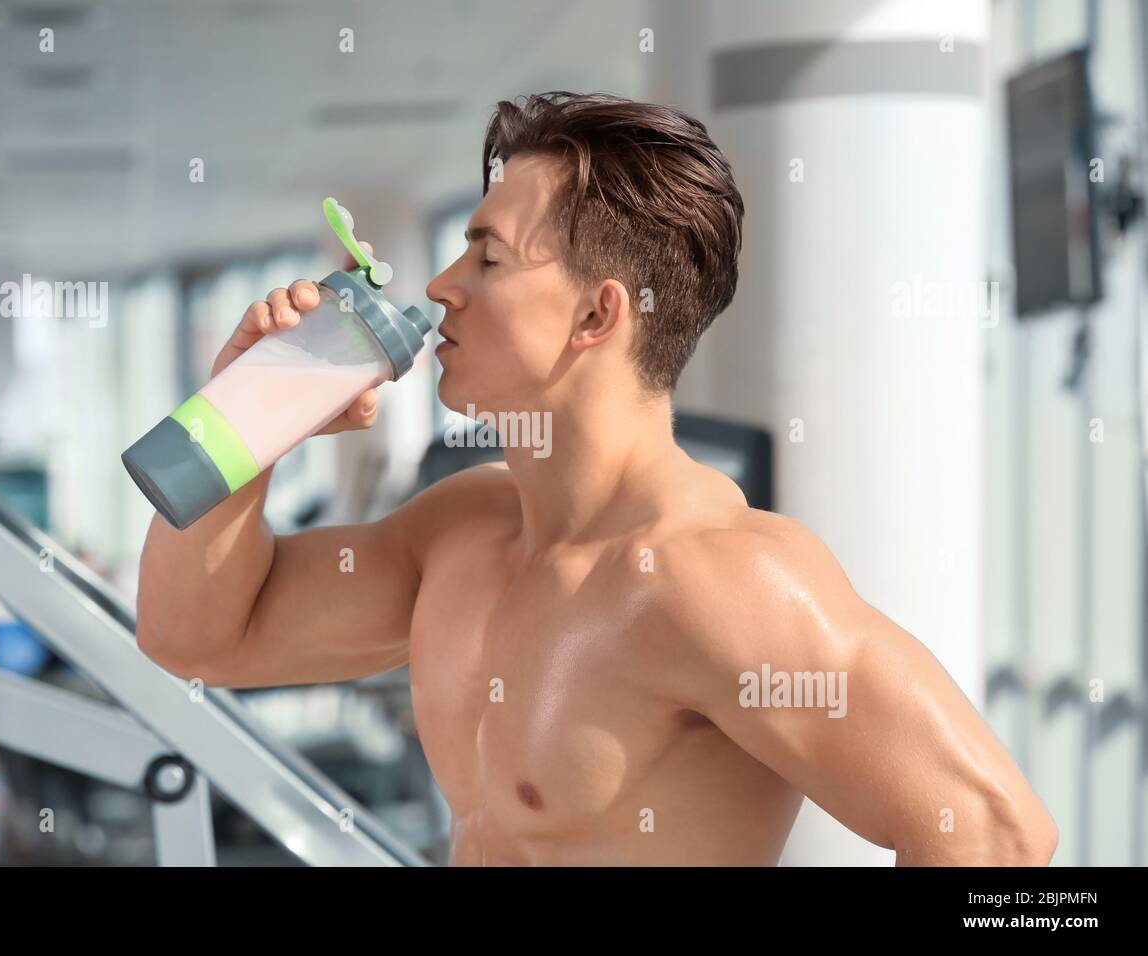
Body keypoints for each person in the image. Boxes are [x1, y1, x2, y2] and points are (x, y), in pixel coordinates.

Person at [134, 91, 1057, 866]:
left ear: (594, 315)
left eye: (487, 256)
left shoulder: (720, 581)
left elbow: (996, 838)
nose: (444, 285)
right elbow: (202, 638)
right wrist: (248, 414)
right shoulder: (461, 531)